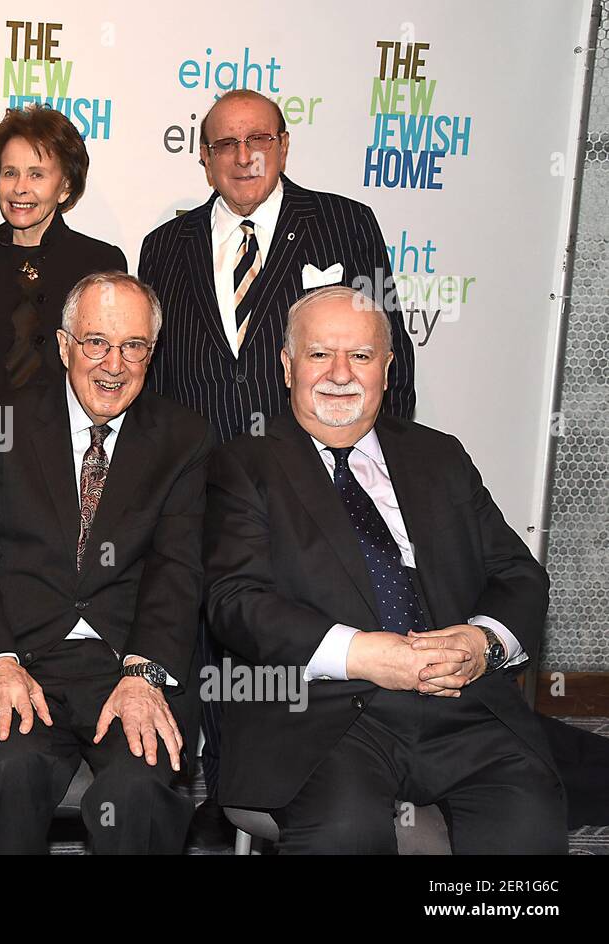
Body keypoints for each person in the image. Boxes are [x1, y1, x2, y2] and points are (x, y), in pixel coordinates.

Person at [137, 89, 418, 839]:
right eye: (224, 144)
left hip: (311, 480)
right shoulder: (165, 247)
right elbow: (158, 381)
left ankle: (312, 786)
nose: (244, 155)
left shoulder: (345, 223)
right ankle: (226, 788)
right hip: (204, 480)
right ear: (203, 157)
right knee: (216, 631)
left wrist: (373, 475)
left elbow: (390, 354)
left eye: (259, 138)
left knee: (304, 630)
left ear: (285, 145)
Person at [203, 285, 566, 854]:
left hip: (460, 704)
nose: (340, 374)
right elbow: (235, 600)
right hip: (322, 716)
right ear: (287, 365)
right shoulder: (245, 462)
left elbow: (520, 575)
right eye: (320, 354)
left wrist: (482, 643)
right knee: (346, 832)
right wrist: (367, 654)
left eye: (362, 356)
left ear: (388, 367)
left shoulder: (439, 456)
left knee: (527, 823)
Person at [0, 272, 214, 853]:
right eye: (96, 343)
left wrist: (144, 674)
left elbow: (178, 570)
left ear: (151, 353)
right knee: (13, 770)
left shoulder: (183, 439)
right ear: (64, 346)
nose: (114, 364)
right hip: (22, 662)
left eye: (133, 347)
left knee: (139, 790)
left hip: (128, 664)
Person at [0, 105, 125, 408]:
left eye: (36, 175)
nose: (19, 188)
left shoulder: (101, 264)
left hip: (67, 445)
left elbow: (106, 367)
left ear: (65, 187)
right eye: (10, 173)